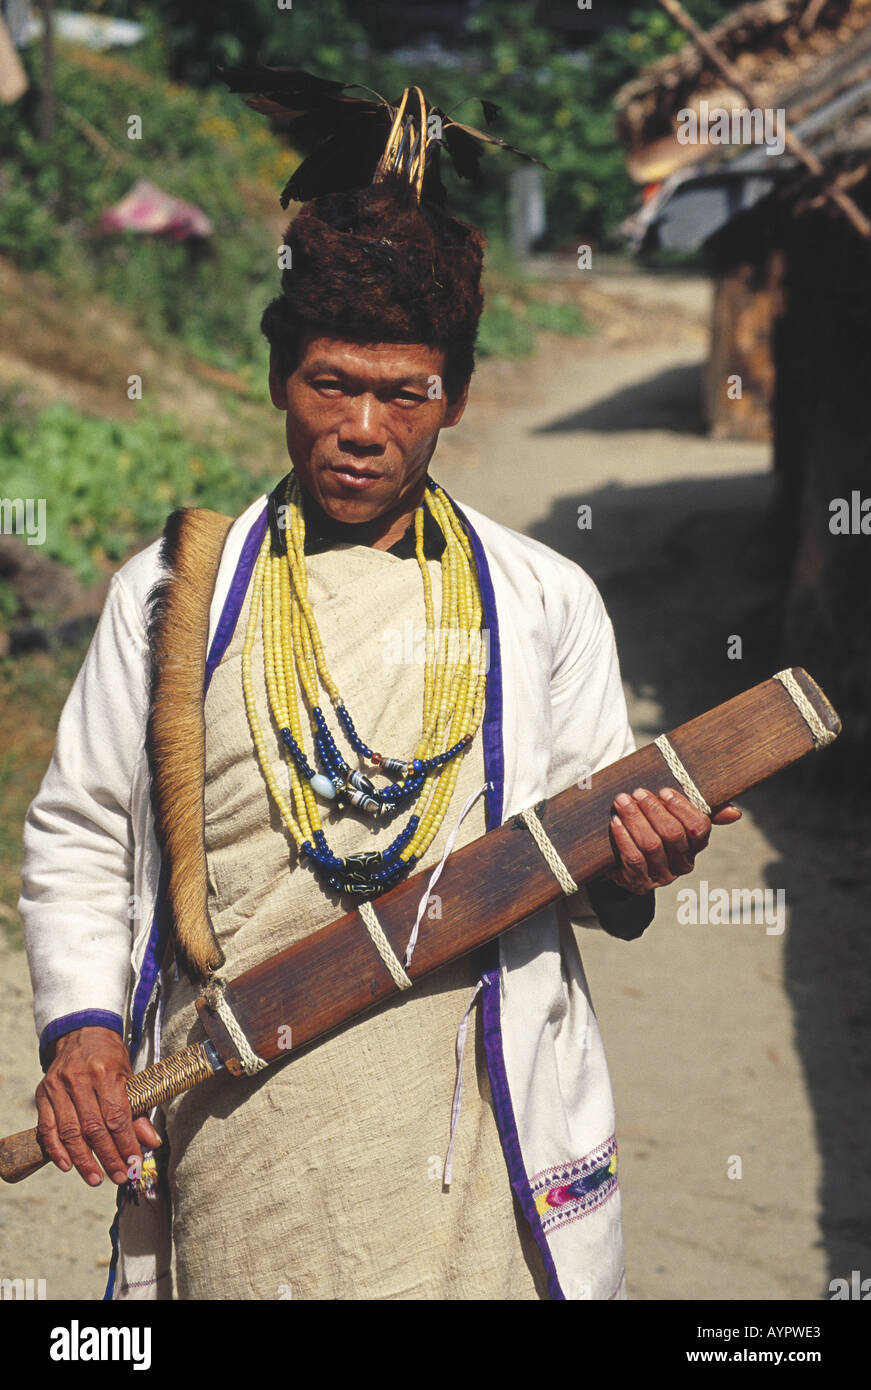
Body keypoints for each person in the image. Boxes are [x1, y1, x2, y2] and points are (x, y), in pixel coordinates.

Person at [17, 83, 741, 1300]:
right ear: (273, 376)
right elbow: (83, 827)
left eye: (402, 394)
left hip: (467, 1107)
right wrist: (81, 1027)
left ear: (454, 396)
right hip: (238, 1110)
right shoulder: (174, 594)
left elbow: (592, 852)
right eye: (328, 383)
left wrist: (642, 858)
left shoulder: (542, 597)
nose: (360, 427)